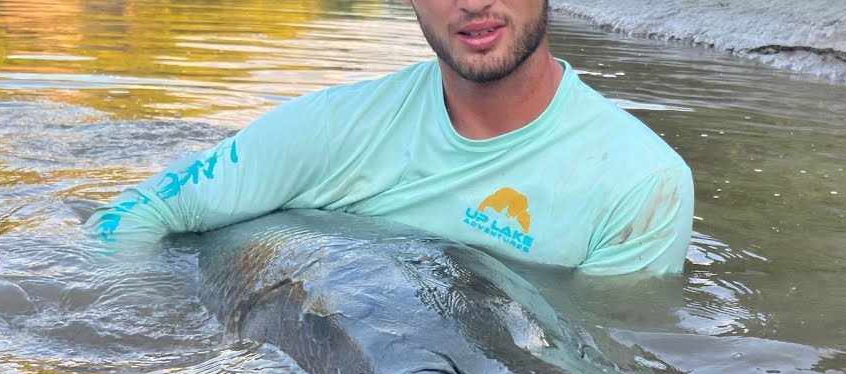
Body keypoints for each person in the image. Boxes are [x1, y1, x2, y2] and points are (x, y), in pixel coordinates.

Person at [86, 0, 694, 276]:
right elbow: (136, 213)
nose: (473, 4)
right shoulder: (331, 128)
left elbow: (610, 354)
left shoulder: (640, 185)